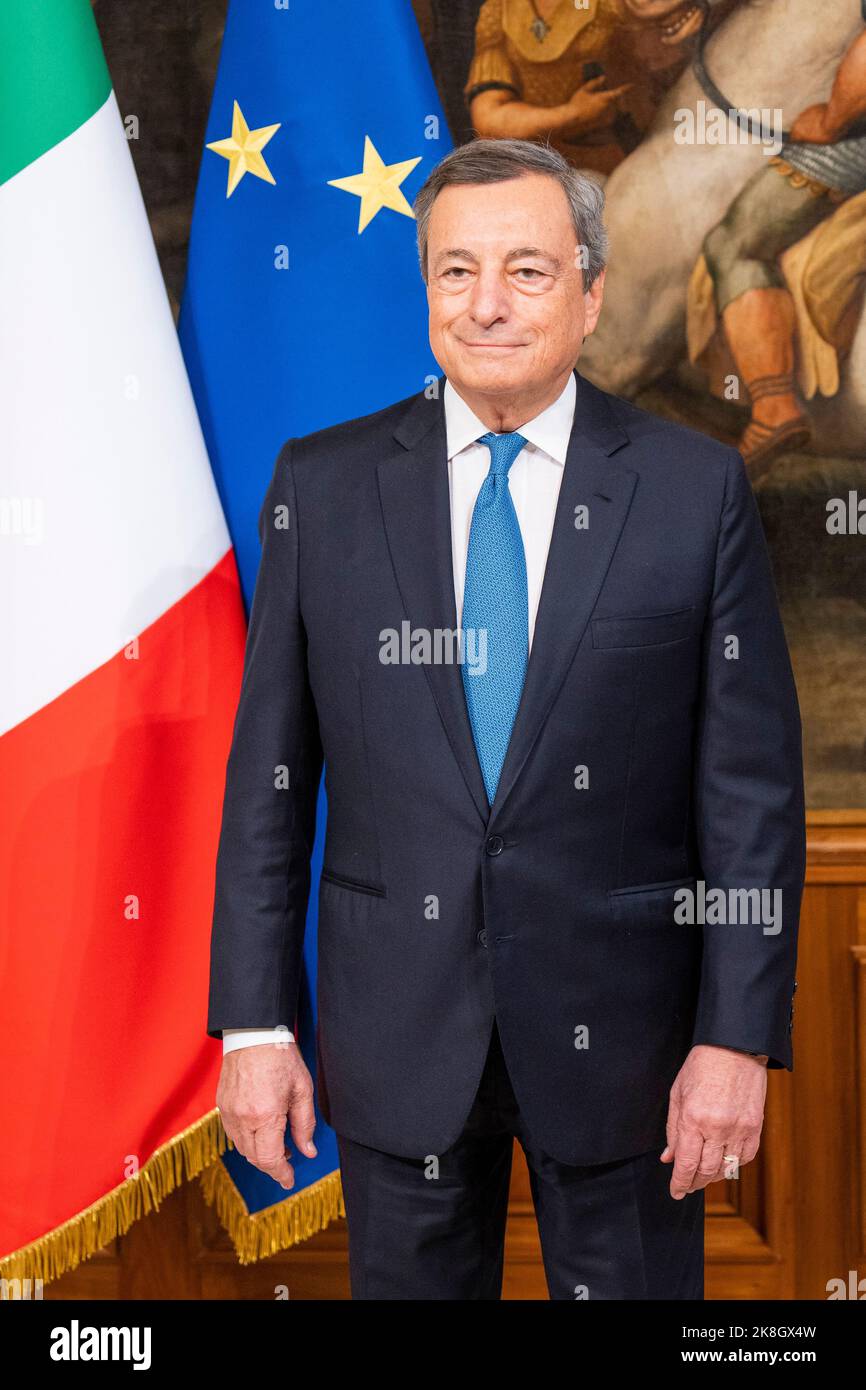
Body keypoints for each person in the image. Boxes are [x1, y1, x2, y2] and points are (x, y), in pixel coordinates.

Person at [208, 138, 805, 1300]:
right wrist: (252, 1026)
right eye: (453, 271)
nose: (485, 305)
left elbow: (748, 794)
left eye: (526, 272)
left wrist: (733, 1037)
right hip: (395, 1036)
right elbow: (266, 780)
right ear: (423, 290)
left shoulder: (690, 490)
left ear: (587, 296)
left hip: (630, 1050)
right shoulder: (319, 489)